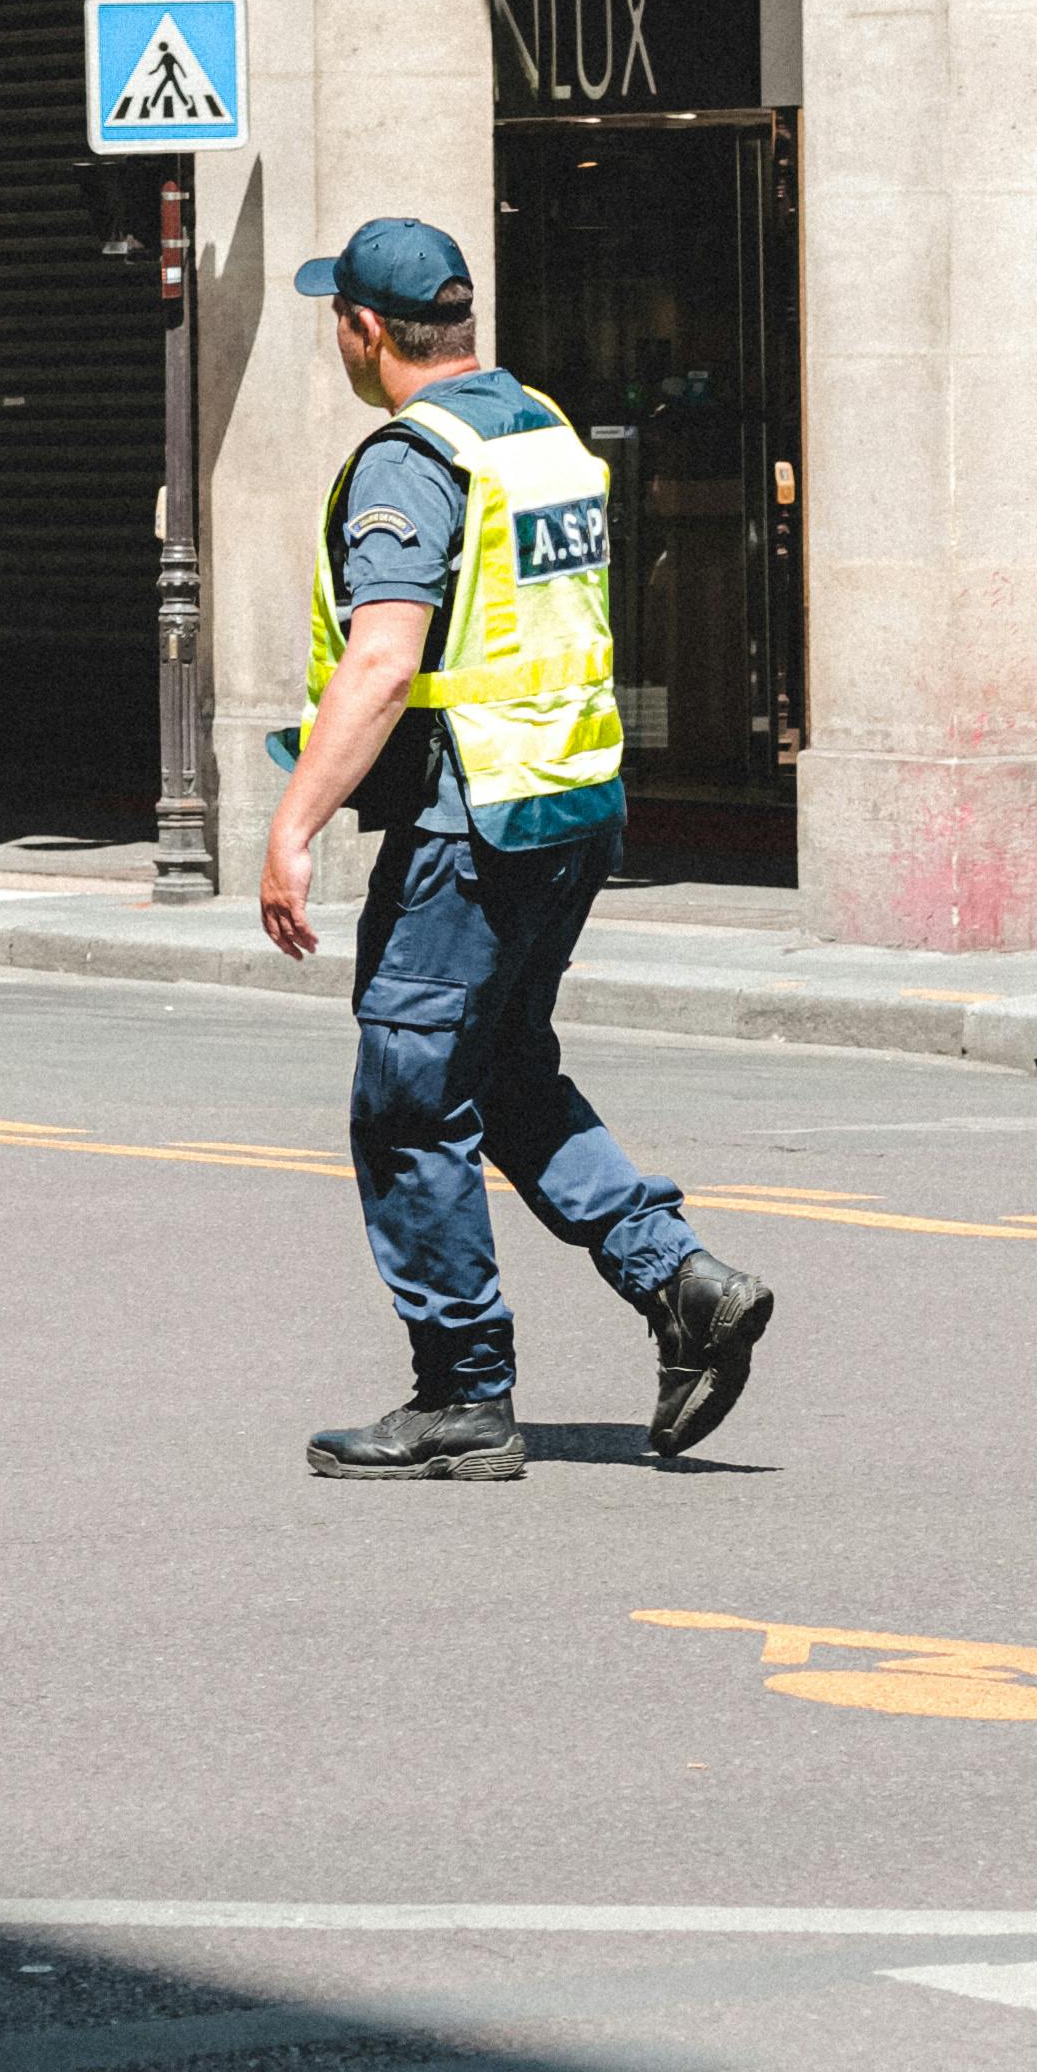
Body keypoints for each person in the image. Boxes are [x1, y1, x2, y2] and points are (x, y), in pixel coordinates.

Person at [258, 216, 774, 1483]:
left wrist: (292, 823)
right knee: (501, 1067)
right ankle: (681, 1285)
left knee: (409, 1096)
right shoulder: (535, 430)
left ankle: (461, 1397)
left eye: (340, 318)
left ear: (365, 332)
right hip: (568, 801)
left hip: (469, 819)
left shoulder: (410, 462)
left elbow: (383, 657)